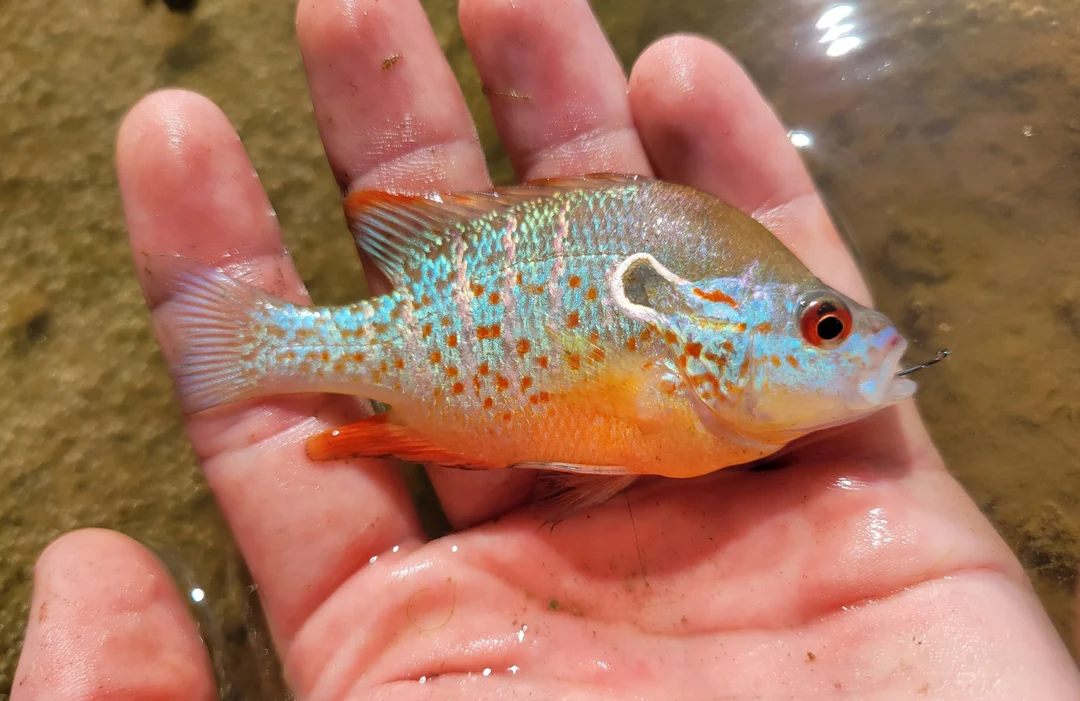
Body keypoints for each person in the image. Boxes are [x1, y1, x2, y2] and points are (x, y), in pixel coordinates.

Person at [12, 0, 1080, 698]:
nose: (855, 346)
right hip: (452, 377)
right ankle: (262, 346)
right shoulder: (687, 406)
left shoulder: (702, 412)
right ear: (716, 326)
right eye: (825, 326)